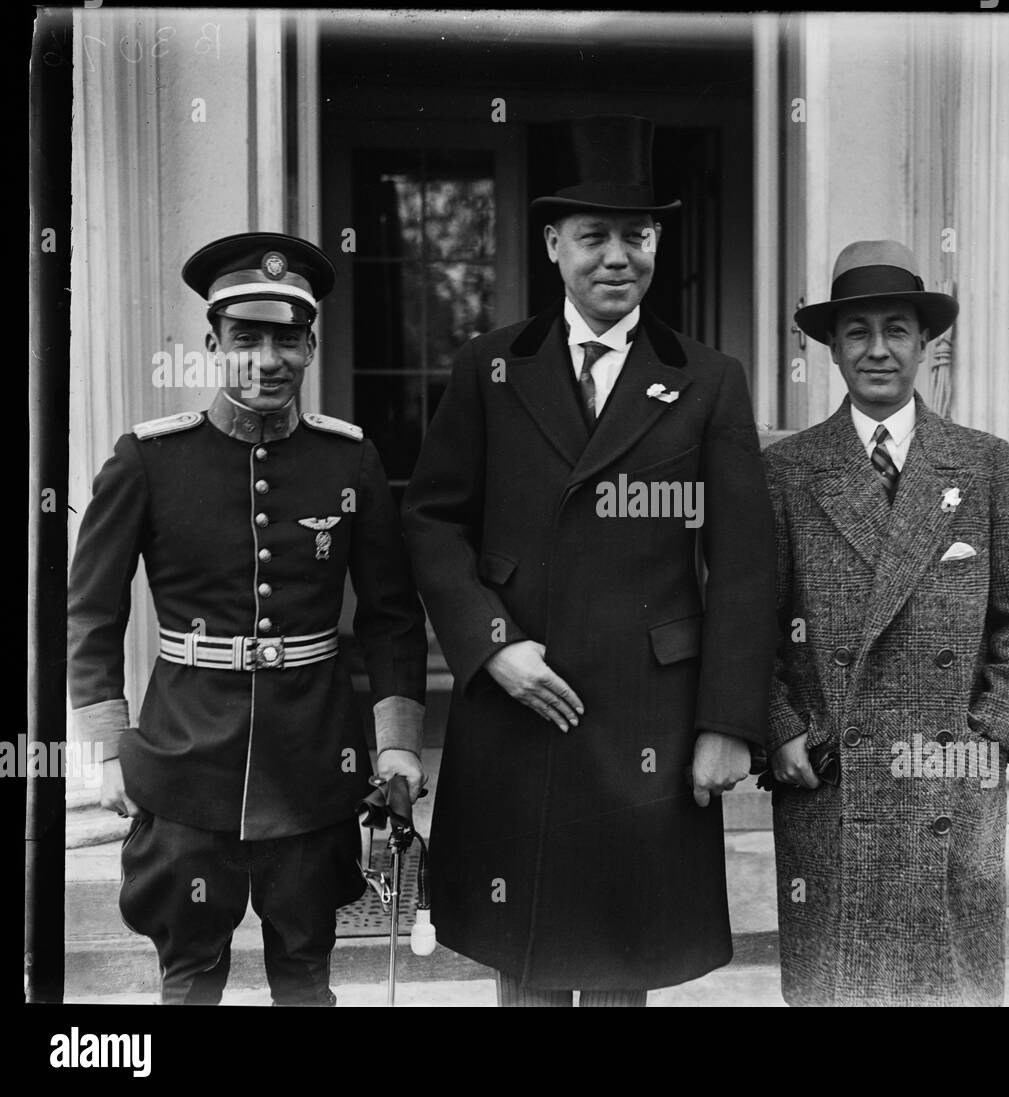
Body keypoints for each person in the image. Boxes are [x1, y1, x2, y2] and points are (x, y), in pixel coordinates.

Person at [401, 116, 776, 1006]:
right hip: (518, 708)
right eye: (594, 236)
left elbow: (748, 561)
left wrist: (727, 722)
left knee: (623, 960)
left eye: (637, 237)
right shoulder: (491, 368)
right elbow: (430, 520)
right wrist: (493, 644)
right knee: (524, 955)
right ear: (552, 245)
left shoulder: (706, 378)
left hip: (646, 715)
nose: (618, 256)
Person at [67, 232, 429, 1005]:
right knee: (192, 974)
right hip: (185, 761)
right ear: (212, 344)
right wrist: (103, 749)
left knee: (305, 973)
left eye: (287, 340)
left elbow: (393, 617)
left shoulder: (349, 462)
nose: (268, 360)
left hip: (312, 766)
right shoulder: (148, 460)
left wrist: (396, 745)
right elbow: (90, 612)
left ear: (311, 345)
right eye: (246, 339)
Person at [762, 239, 1009, 1006]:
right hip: (831, 781)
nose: (877, 350)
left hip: (948, 783)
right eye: (857, 331)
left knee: (947, 988)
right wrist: (780, 726)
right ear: (831, 348)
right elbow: (747, 622)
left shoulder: (984, 463)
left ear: (926, 345)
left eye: (896, 329)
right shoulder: (788, 471)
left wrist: (988, 736)